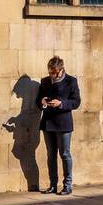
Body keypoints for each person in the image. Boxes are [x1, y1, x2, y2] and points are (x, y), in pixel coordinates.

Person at [36, 56, 81, 195]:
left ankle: (67, 185)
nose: (51, 75)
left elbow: (76, 102)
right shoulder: (44, 81)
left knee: (65, 154)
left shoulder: (71, 81)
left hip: (63, 123)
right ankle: (53, 185)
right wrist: (42, 101)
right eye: (50, 72)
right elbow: (38, 100)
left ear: (61, 70)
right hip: (48, 122)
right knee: (51, 155)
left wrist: (61, 103)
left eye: (54, 73)